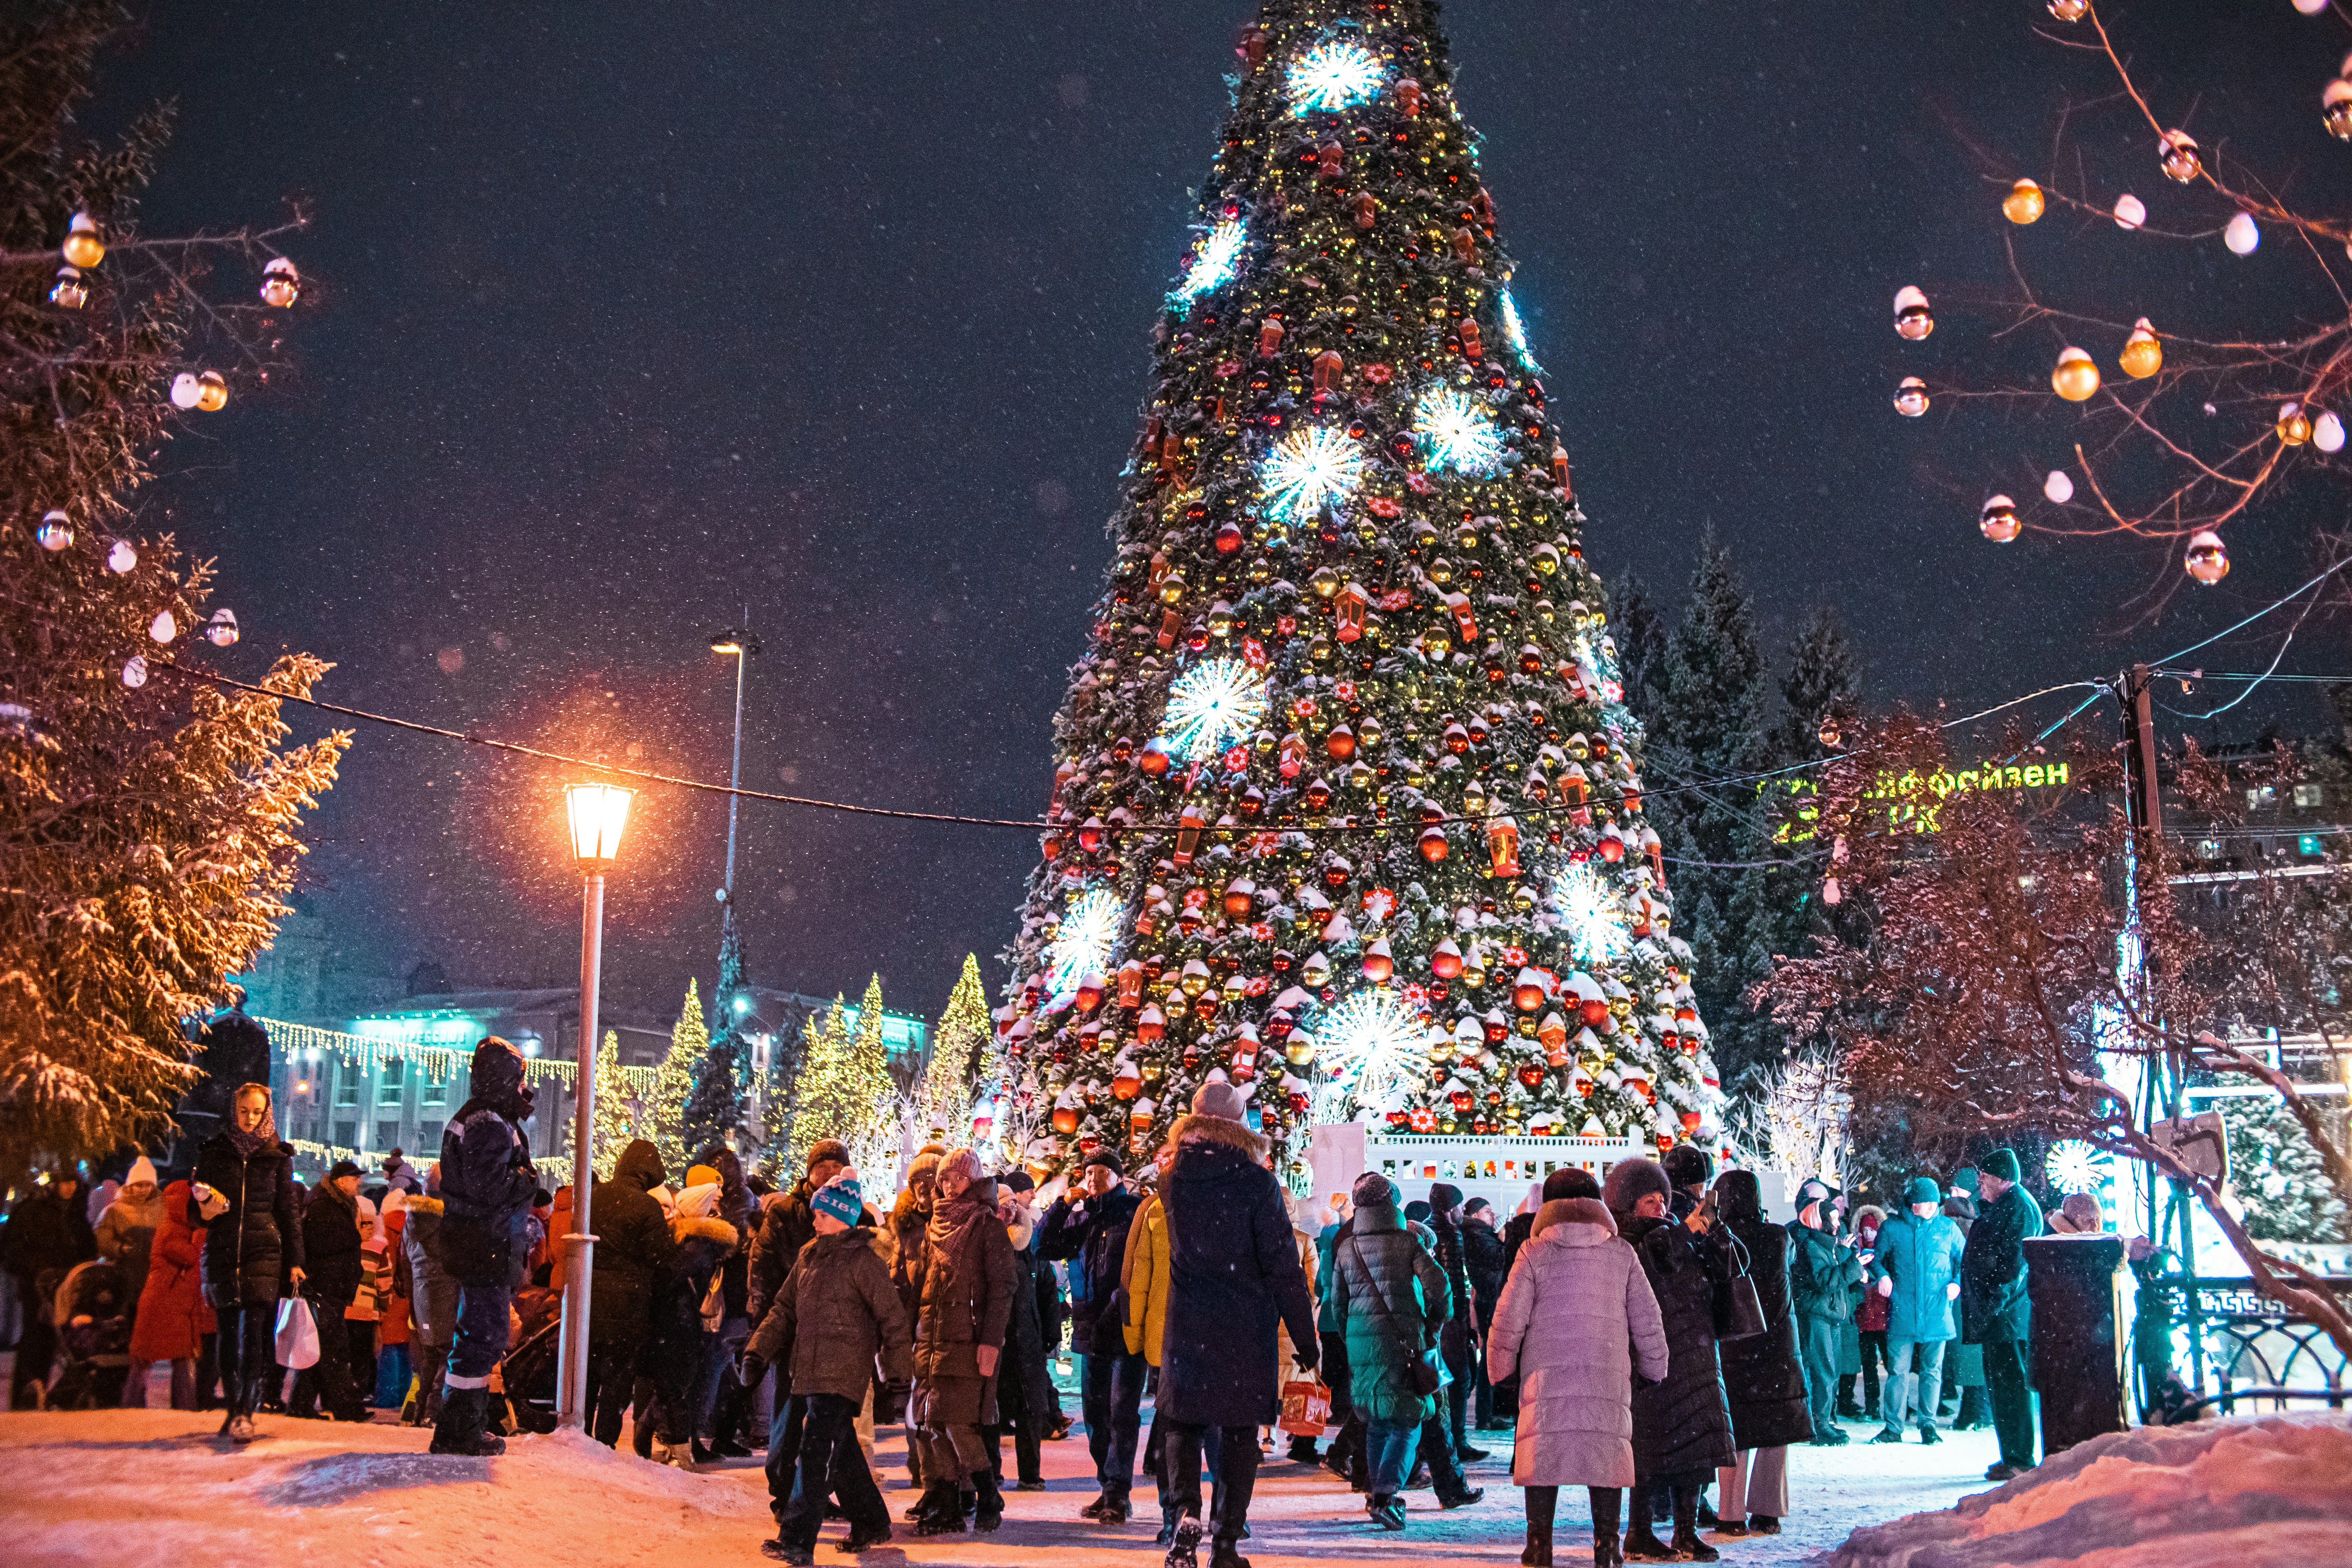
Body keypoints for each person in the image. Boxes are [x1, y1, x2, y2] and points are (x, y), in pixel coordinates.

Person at [1154, 1082, 1320, 1568]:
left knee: (1182, 1422)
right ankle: (1225, 1541)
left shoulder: (1172, 1180)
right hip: (1244, 1324)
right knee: (1238, 1432)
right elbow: (1282, 1265)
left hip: (1187, 1320)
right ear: (1240, 1122)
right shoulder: (1255, 1182)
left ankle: (1183, 1509)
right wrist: (1304, 1337)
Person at [1487, 1166, 1666, 1568]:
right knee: (1607, 1453)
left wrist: (1500, 1368)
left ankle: (1539, 1545)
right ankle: (1607, 1546)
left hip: (1545, 1372)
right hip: (1607, 1369)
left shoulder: (1533, 1252)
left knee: (1543, 1453)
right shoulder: (1621, 1252)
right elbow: (1647, 1317)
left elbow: (1508, 1317)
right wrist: (1655, 1366)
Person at [743, 1170, 912, 1565]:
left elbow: (893, 1320)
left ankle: (797, 1538)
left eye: (820, 1213)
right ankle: (871, 1521)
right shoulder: (809, 1256)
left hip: (843, 1374)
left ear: (838, 1216)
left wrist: (898, 1373)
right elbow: (784, 1310)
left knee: (814, 1452)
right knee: (844, 1452)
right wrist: (757, 1352)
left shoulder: (865, 1262)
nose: (814, 1219)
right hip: (808, 1369)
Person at [1608, 1156, 1733, 1564]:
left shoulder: (1673, 1234)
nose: (1661, 1207)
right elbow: (1654, 1266)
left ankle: (1687, 1531)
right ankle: (1639, 1533)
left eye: (1663, 1199)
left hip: (1695, 1355)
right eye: (1650, 1200)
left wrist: (1717, 1232)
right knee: (1650, 1451)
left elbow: (1730, 1269)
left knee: (1696, 1450)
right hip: (1656, 1360)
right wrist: (1687, 1230)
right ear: (1629, 1205)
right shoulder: (1626, 1240)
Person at [431, 1036, 541, 1456]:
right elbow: (488, 1185)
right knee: (482, 1337)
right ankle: (459, 1430)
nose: (523, 1086)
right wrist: (528, 1179)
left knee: (480, 1335)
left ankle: (462, 1426)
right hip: (487, 1245)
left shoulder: (481, 1117)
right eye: (519, 1077)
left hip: (480, 1244)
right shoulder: (489, 1123)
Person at [1330, 1171, 1453, 1531]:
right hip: (1404, 1341)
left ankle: (1376, 1492)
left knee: (1376, 1421)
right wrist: (1433, 1324)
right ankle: (1385, 1496)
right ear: (1390, 1204)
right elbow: (1439, 1286)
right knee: (1406, 1419)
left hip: (1360, 1341)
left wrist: (1353, 1334)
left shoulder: (1346, 1247)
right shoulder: (1406, 1242)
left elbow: (1338, 1302)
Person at [906, 1148, 1014, 1536]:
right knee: (933, 1425)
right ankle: (949, 1503)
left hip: (968, 1342)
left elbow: (1003, 1288)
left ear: (974, 1180)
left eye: (958, 1178)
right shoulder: (934, 1224)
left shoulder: (986, 1224)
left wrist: (990, 1341)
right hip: (932, 1339)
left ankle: (987, 1495)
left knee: (960, 1426)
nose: (950, 1185)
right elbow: (923, 1288)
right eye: (945, 1178)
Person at [190, 1083, 302, 1442]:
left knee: (254, 1332)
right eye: (244, 1111)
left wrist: (296, 1260)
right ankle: (233, 1405)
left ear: (266, 1111)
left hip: (262, 1250)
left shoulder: (278, 1155)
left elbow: (288, 1211)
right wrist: (204, 1207)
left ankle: (245, 1411)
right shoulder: (215, 1151)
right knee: (225, 1335)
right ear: (234, 1110)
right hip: (224, 1248)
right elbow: (196, 1209)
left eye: (257, 1111)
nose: (250, 1118)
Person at [1039, 1147, 1145, 1523]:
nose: (1094, 1178)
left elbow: (1138, 1270)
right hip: (1088, 1330)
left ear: (1118, 1176)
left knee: (1121, 1413)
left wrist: (1120, 1309)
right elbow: (1042, 1245)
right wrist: (1064, 1204)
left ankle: (1118, 1493)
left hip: (1125, 1330)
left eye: (1102, 1171)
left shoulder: (1133, 1213)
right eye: (1088, 1172)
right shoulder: (1081, 1219)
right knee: (1095, 1415)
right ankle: (1107, 1486)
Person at [1709, 1170, 1811, 1538]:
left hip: (1735, 1341)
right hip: (1778, 1342)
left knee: (1734, 1430)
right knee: (1775, 1427)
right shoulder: (1777, 1236)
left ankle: (1730, 1513)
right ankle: (1768, 1512)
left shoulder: (1719, 1239)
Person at [642, 1173, 741, 1467]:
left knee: (677, 1389)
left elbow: (666, 1279)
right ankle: (657, 1436)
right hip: (686, 1323)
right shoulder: (701, 1241)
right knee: (677, 1386)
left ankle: (682, 1450)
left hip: (681, 1323)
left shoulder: (693, 1244)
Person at [585, 1138, 678, 1449]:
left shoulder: (595, 1196)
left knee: (587, 1375)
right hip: (628, 1306)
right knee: (616, 1380)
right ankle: (605, 1442)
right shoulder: (646, 1206)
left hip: (590, 1301)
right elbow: (662, 1259)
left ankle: (580, 1436)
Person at [1960, 1150, 2043, 1481]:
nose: (1979, 1184)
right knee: (2002, 1387)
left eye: (1984, 1179)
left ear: (2002, 1179)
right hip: (1998, 1315)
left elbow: (2014, 1264)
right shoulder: (2008, 1207)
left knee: (2011, 1388)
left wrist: (1994, 1301)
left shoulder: (2019, 1208)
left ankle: (2020, 1457)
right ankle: (2012, 1453)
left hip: (2006, 1316)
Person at [1870, 1176, 1966, 1446]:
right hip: (1903, 1310)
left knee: (1932, 1371)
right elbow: (1875, 1260)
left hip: (1937, 1311)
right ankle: (1893, 1428)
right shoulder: (1892, 1228)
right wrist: (1883, 1276)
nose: (1927, 1207)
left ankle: (1929, 1425)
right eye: (1922, 1203)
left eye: (1930, 1203)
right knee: (1897, 1371)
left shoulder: (1948, 1229)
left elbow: (1964, 1262)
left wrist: (1957, 1284)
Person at [3, 1171, 98, 1407]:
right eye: (64, 1183)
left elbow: (87, 1247)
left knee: (71, 1341)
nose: (70, 1188)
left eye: (73, 1183)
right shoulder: (31, 1210)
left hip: (69, 1286)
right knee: (36, 1339)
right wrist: (36, 1270)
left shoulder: (76, 1212)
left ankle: (62, 1394)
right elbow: (11, 1250)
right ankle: (27, 1394)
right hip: (36, 1287)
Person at [692, 1146, 758, 1463]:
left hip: (730, 1298)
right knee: (719, 1367)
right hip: (727, 1299)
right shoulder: (735, 1199)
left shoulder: (738, 1200)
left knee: (716, 1366)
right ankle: (714, 1432)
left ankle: (705, 1432)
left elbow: (731, 1244)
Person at [292, 1160, 368, 1421]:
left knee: (323, 1347)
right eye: (355, 1178)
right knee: (333, 1348)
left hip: (331, 1286)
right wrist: (354, 1238)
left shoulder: (334, 1202)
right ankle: (345, 1407)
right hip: (325, 1286)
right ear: (341, 1180)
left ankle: (301, 1404)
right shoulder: (324, 1204)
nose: (359, 1183)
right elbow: (317, 1244)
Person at [994, 1172, 1056, 1493]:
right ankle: (991, 1473)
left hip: (1027, 1338)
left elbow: (1046, 1289)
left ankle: (1030, 1473)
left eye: (1013, 1205)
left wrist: (1051, 1332)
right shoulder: (987, 1243)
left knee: (1031, 1409)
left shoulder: (1030, 1245)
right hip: (995, 1339)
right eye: (1003, 1205)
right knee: (991, 1408)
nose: (1010, 1211)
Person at [128, 1177, 214, 1410]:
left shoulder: (178, 1227)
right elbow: (189, 1256)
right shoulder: (171, 1229)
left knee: (177, 1356)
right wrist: (200, 1238)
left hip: (174, 1303)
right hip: (164, 1301)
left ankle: (181, 1405)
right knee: (151, 1356)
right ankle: (136, 1404)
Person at [1788, 1179, 1858, 1447]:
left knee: (1826, 1368)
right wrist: (1852, 1266)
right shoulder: (1807, 1242)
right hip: (1816, 1313)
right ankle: (1818, 1424)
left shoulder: (1824, 1242)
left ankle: (1821, 1420)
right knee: (1821, 1369)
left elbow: (1831, 1276)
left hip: (1826, 1313)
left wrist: (1848, 1258)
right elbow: (1824, 1281)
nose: (1837, 1223)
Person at [95, 1158, 165, 1406]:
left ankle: (138, 1387)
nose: (143, 1190)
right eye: (138, 1185)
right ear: (130, 1186)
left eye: (147, 1185)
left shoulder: (162, 1208)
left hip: (153, 1277)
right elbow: (103, 1240)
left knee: (147, 1336)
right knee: (129, 1332)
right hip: (125, 1279)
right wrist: (121, 1248)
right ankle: (127, 1389)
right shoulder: (115, 1210)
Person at [1425, 1182, 1486, 1463]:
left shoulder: (1429, 1229)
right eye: (1461, 1207)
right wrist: (1461, 1319)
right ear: (1452, 1209)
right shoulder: (1450, 1233)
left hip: (1439, 1318)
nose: (1464, 1212)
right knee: (1458, 1379)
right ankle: (1454, 1441)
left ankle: (1447, 1439)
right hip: (1449, 1320)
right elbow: (1453, 1283)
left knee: (1442, 1381)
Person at [402, 1165, 458, 1424]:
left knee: (429, 1355)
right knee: (448, 1351)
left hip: (422, 1291)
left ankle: (420, 1411)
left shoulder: (412, 1218)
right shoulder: (451, 1217)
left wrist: (411, 1291)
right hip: (448, 1289)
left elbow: (405, 1259)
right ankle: (434, 1414)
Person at [1940, 1168, 1987, 1429]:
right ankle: (1976, 1408)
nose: (1953, 1194)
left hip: (1965, 1298)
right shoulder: (1980, 1217)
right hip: (1971, 1298)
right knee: (1971, 1353)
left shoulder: (1961, 1221)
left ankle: (1973, 1409)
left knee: (1966, 1352)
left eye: (1958, 1190)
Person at [1458, 1196, 1508, 1433]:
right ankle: (1485, 1416)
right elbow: (1500, 1262)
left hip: (1486, 1301)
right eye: (1487, 1211)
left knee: (1489, 1356)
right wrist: (1504, 1241)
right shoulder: (1479, 1235)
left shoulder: (1477, 1234)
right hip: (1490, 1302)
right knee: (1489, 1357)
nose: (1492, 1215)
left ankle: (1486, 1414)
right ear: (1476, 1215)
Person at [1849, 1205, 1890, 1424]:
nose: (1868, 1234)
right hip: (1864, 1317)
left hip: (1883, 1318)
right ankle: (1872, 1406)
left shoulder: (1885, 1253)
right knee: (1868, 1366)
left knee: (1891, 1364)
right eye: (1865, 1229)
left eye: (1872, 1230)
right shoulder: (1855, 1252)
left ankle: (1894, 1405)